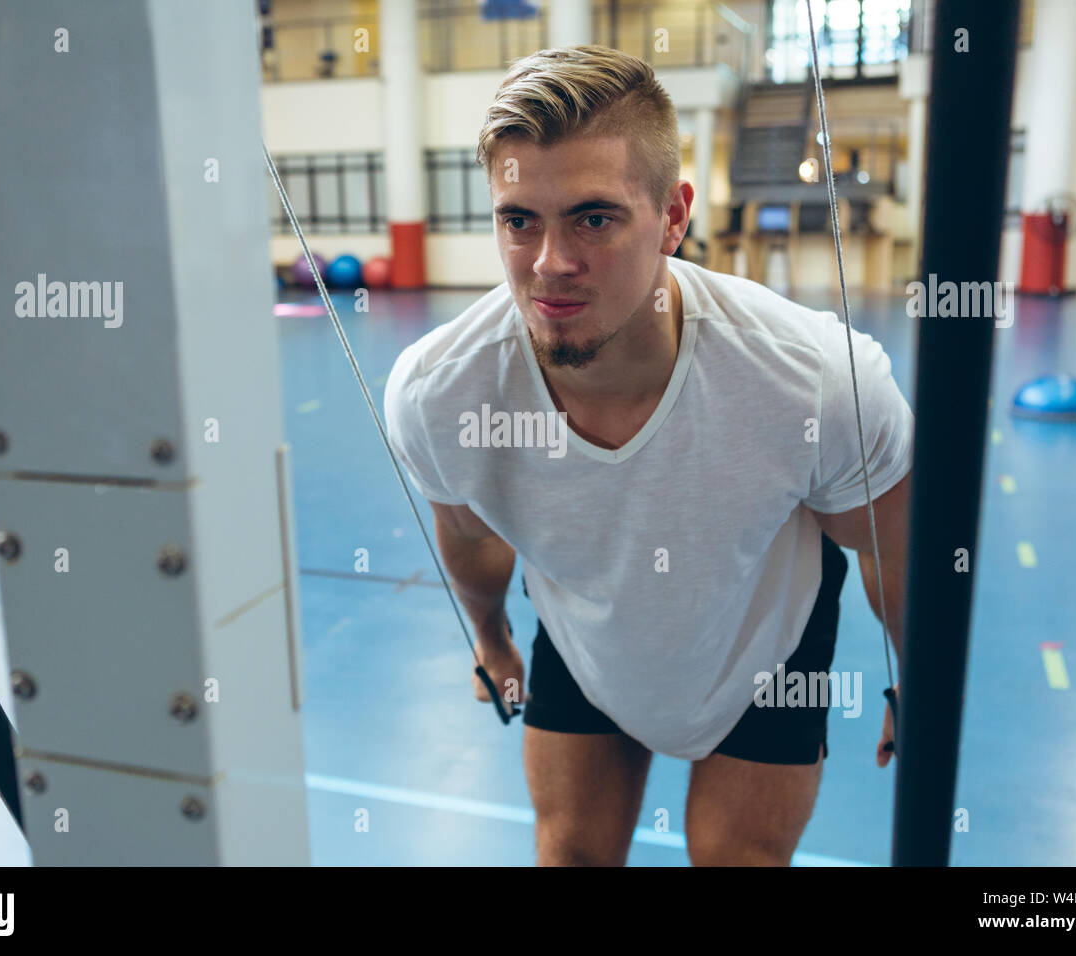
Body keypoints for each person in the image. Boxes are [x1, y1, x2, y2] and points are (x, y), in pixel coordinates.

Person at [384, 45, 913, 866]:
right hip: (587, 628)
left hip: (763, 648)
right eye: (519, 219)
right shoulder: (441, 394)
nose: (550, 264)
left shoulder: (813, 383)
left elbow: (893, 549)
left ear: (673, 216)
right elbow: (469, 538)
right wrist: (491, 639)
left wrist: (915, 674)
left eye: (594, 217)